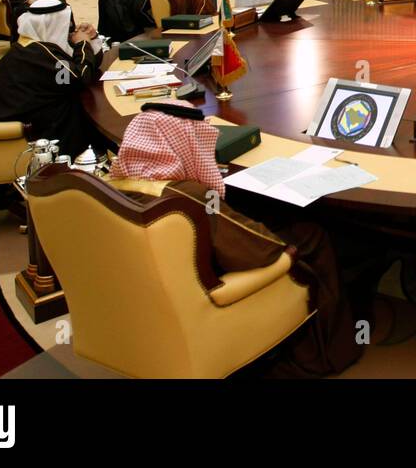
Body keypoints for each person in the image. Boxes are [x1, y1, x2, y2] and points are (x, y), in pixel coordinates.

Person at [105, 101, 360, 377]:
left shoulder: (113, 186)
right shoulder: (188, 197)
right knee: (311, 235)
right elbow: (261, 250)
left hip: (148, 298)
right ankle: (327, 355)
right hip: (206, 290)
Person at [0, 0, 112, 155]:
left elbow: (78, 69)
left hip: (32, 115)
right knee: (80, 108)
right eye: (65, 26)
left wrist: (91, 39)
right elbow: (79, 78)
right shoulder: (36, 54)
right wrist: (83, 44)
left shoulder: (36, 46)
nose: (69, 30)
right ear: (54, 26)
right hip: (21, 133)